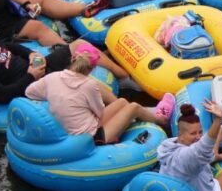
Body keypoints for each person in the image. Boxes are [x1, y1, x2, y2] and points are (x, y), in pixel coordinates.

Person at [25, 51, 172, 145]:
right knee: (133, 107)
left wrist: (55, 97)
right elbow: (100, 112)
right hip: (93, 136)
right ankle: (161, 120)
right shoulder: (88, 84)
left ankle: (142, 116)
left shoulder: (52, 77)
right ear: (90, 69)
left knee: (121, 102)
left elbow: (29, 92)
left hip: (79, 127)